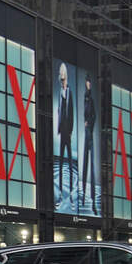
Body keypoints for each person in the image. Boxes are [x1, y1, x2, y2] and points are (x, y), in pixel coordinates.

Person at [56, 65, 74, 201]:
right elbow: (59, 111)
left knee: (69, 160)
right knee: (62, 160)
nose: (62, 80)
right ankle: (61, 189)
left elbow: (71, 111)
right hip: (62, 130)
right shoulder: (60, 92)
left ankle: (72, 190)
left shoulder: (69, 92)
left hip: (68, 130)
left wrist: (71, 129)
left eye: (64, 77)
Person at [80, 76, 97, 213]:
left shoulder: (90, 99)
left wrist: (89, 124)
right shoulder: (86, 98)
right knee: (86, 164)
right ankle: (85, 198)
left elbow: (94, 116)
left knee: (90, 165)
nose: (88, 84)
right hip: (87, 133)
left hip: (89, 133)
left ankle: (90, 200)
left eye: (89, 82)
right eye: (87, 82)